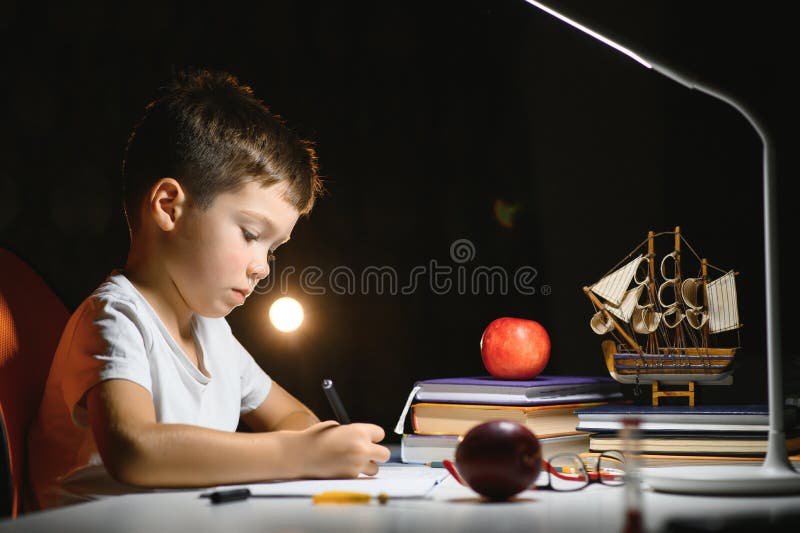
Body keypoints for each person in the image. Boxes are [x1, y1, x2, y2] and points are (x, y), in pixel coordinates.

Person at [27, 69, 390, 509]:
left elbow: (295, 417)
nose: (262, 269)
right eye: (251, 234)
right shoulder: (115, 318)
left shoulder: (213, 334)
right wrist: (298, 453)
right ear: (169, 207)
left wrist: (325, 443)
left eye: (274, 250)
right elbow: (136, 451)